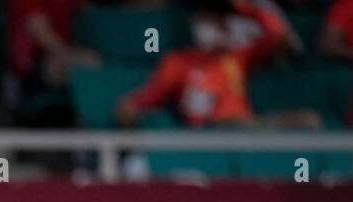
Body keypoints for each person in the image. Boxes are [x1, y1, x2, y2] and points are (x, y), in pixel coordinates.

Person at [115, 0, 318, 129]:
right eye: (205, 19)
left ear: (227, 24)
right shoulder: (179, 62)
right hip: (210, 134)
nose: (211, 25)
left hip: (249, 129)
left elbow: (278, 37)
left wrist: (245, 7)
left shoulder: (239, 56)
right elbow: (140, 102)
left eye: (218, 20)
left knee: (308, 121)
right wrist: (130, 108)